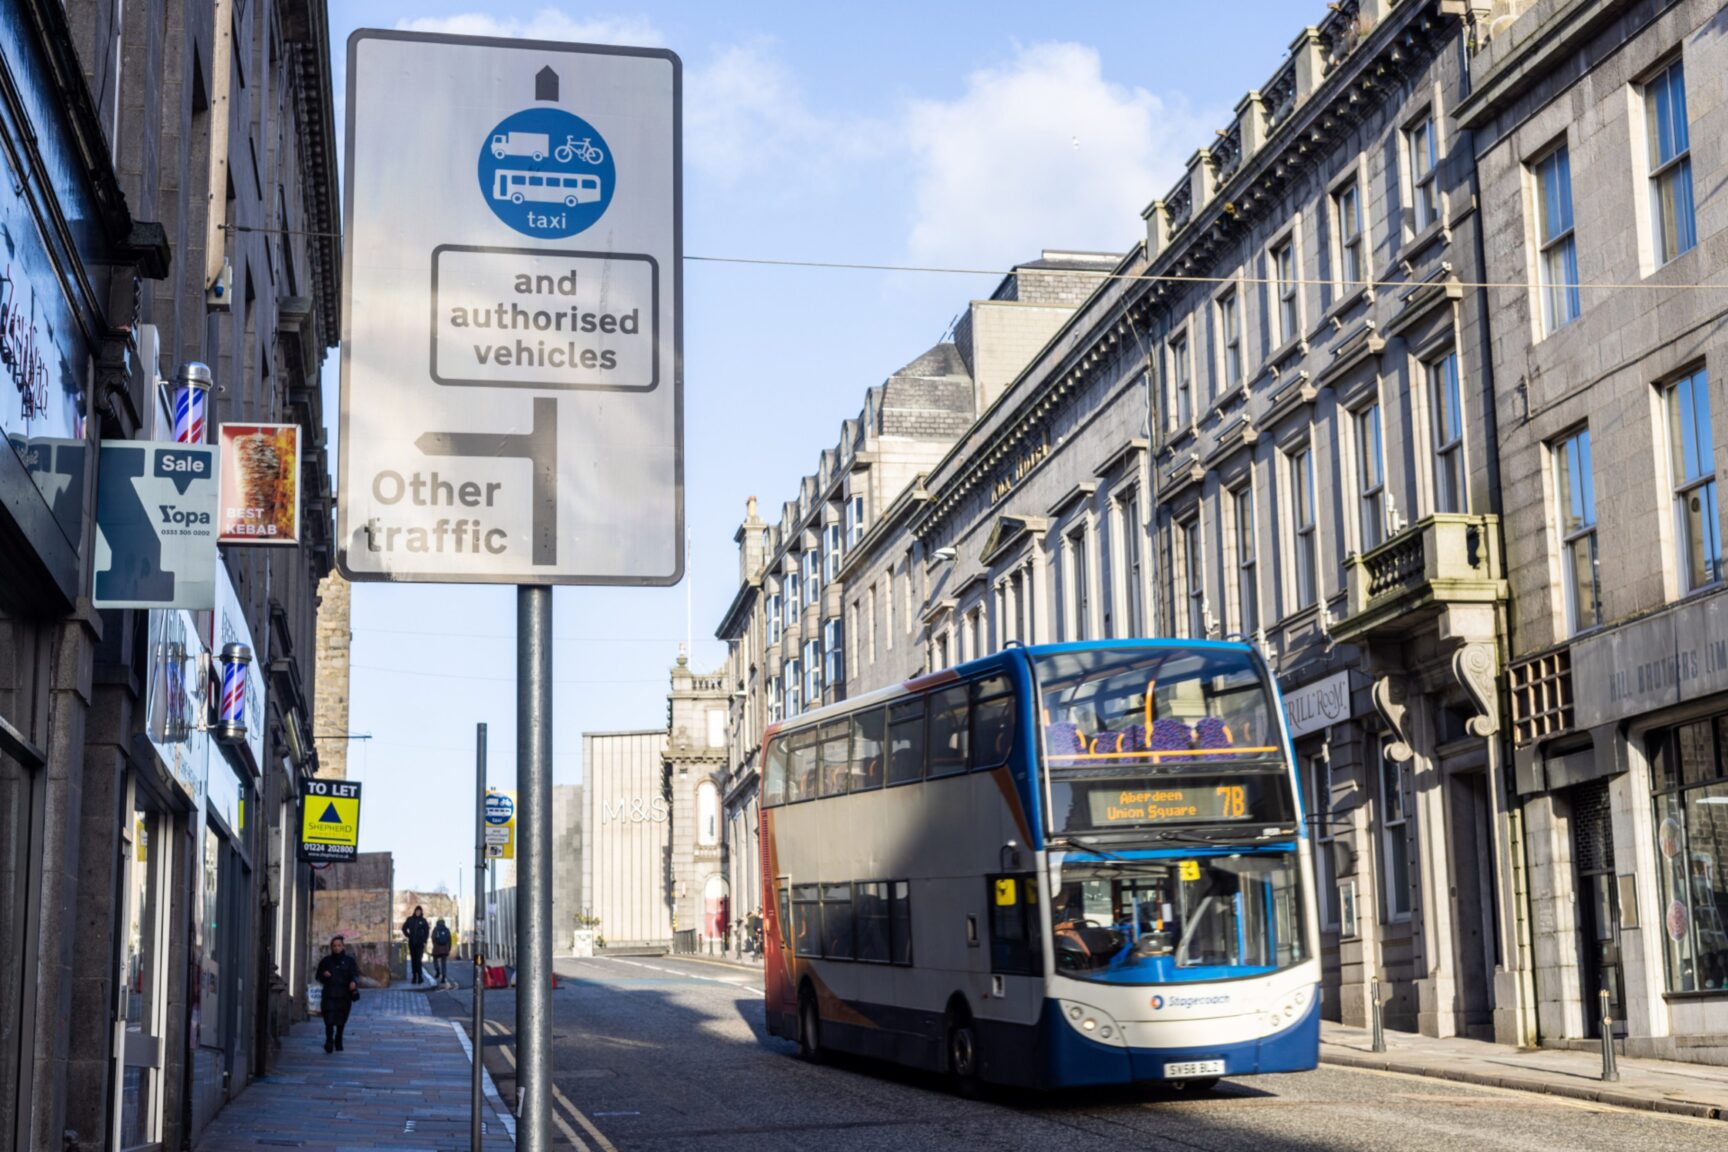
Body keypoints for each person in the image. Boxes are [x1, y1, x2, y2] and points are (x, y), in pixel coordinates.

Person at [314, 935, 360, 1053]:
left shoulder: (349, 961)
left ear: (343, 946)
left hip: (344, 996)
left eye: (339, 945)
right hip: (329, 995)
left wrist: (353, 982)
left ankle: (338, 1038)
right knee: (328, 1020)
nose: (336, 948)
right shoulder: (326, 961)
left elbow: (355, 974)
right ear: (331, 947)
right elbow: (318, 976)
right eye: (334, 946)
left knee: (341, 1019)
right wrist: (324, 974)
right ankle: (329, 1040)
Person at [403, 905, 430, 985]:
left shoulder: (423, 920)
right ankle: (414, 976)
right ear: (415, 911)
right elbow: (404, 928)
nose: (418, 912)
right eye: (417, 911)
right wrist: (408, 935)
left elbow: (427, 931)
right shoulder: (410, 919)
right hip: (412, 943)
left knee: (418, 960)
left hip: (420, 944)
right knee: (413, 961)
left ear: (421, 912)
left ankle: (420, 977)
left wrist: (424, 940)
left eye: (419, 911)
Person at [430, 918, 453, 984]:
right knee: (444, 963)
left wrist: (435, 945)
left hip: (437, 948)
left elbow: (433, 938)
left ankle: (437, 970)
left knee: (435, 959)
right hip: (445, 949)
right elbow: (449, 940)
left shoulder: (435, 929)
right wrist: (449, 949)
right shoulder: (446, 929)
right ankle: (443, 977)